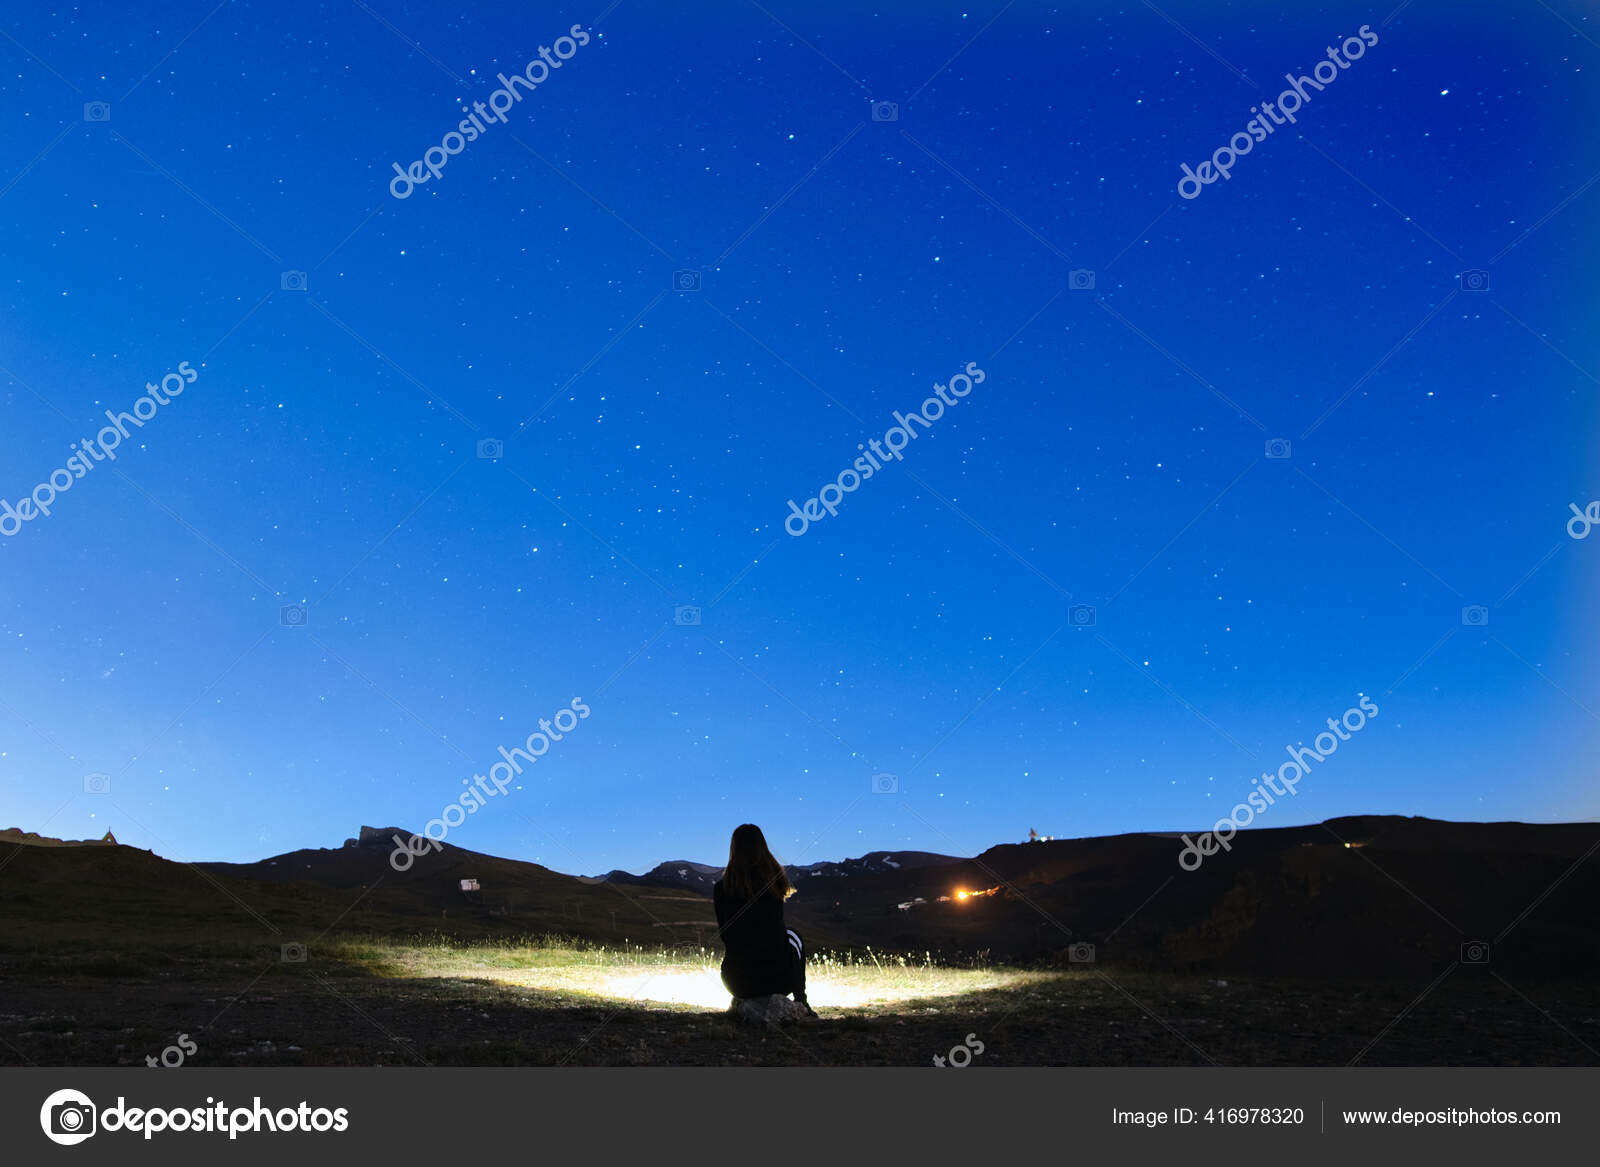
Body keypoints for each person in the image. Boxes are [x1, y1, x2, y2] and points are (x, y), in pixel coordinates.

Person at [713, 823, 816, 1017]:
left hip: (736, 982)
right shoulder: (774, 883)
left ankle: (741, 999)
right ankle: (801, 1000)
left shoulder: (721, 888)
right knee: (794, 936)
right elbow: (774, 929)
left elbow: (725, 935)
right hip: (778, 980)